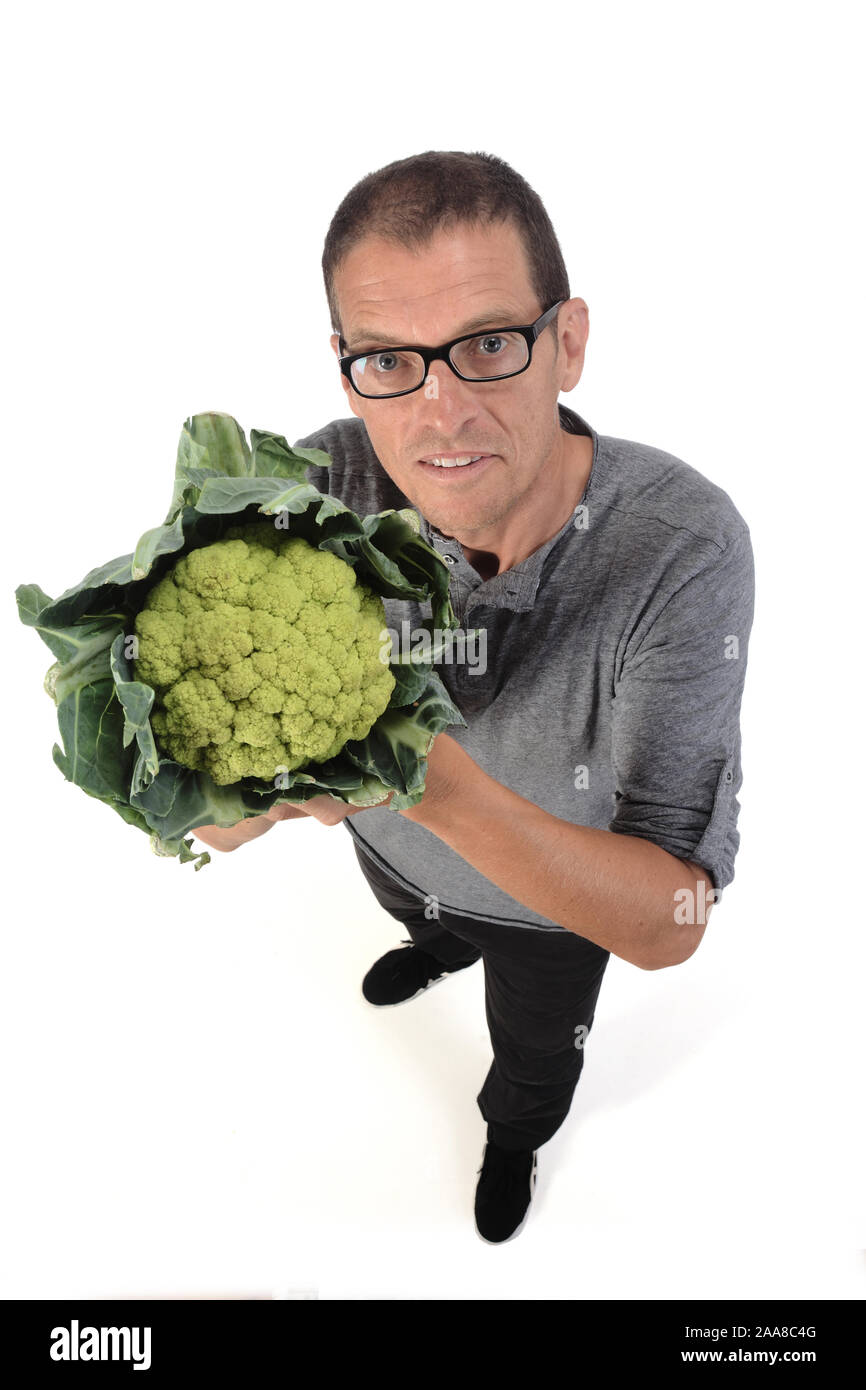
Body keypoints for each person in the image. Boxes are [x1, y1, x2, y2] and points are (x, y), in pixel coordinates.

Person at [193, 150, 755, 1244]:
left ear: (568, 343)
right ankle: (432, 946)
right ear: (345, 368)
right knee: (420, 917)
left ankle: (514, 1138)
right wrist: (266, 786)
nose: (439, 410)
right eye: (389, 361)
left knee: (534, 1055)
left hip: (555, 912)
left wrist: (423, 778)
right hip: (394, 861)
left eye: (488, 345)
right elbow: (210, 824)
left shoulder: (680, 549)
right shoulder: (314, 491)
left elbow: (669, 922)